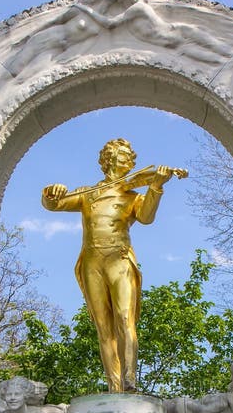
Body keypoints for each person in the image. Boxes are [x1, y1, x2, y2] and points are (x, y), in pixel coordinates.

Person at [42, 138, 183, 392]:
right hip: (92, 261)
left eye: (131, 157)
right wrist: (51, 193)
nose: (131, 161)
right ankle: (114, 387)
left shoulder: (132, 197)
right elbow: (55, 205)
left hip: (119, 258)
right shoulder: (88, 193)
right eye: (125, 156)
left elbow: (146, 218)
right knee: (103, 327)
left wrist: (156, 187)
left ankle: (130, 379)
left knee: (125, 318)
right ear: (109, 159)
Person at [72, 0, 233, 66]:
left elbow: (109, 23)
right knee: (219, 63)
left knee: (228, 54)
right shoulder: (132, 9)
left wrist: (84, 9)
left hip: (181, 33)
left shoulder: (137, 8)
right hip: (178, 45)